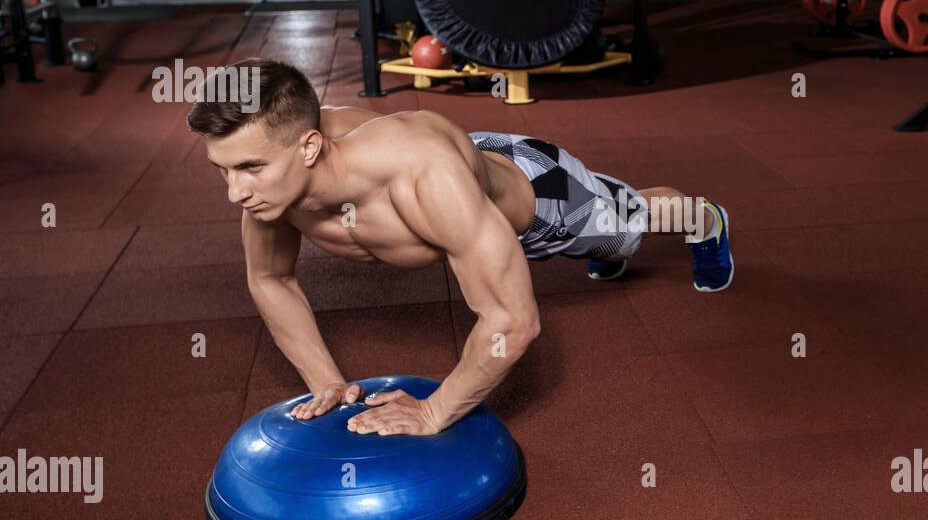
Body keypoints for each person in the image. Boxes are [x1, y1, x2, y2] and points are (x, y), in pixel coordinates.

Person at [186, 58, 734, 436]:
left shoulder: (417, 174)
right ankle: (610, 248)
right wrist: (326, 382)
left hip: (540, 199)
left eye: (250, 168)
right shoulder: (275, 183)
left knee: (634, 221)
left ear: (309, 148)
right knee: (607, 245)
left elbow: (513, 322)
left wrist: (432, 413)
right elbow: (270, 279)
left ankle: (704, 220)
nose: (236, 192)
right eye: (223, 170)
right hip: (464, 177)